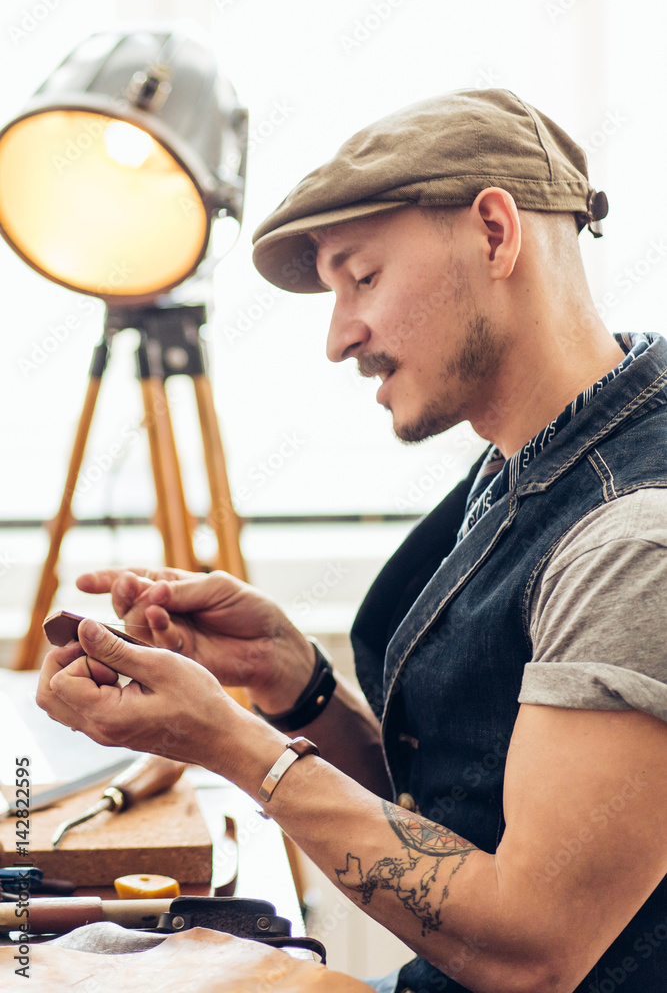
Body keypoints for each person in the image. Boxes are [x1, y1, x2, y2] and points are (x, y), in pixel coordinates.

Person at [37, 90, 667, 993]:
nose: (339, 340)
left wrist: (230, 743)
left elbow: (535, 948)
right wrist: (296, 685)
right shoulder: (535, 459)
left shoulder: (633, 538)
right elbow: (459, 815)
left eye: (362, 278)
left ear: (494, 234)